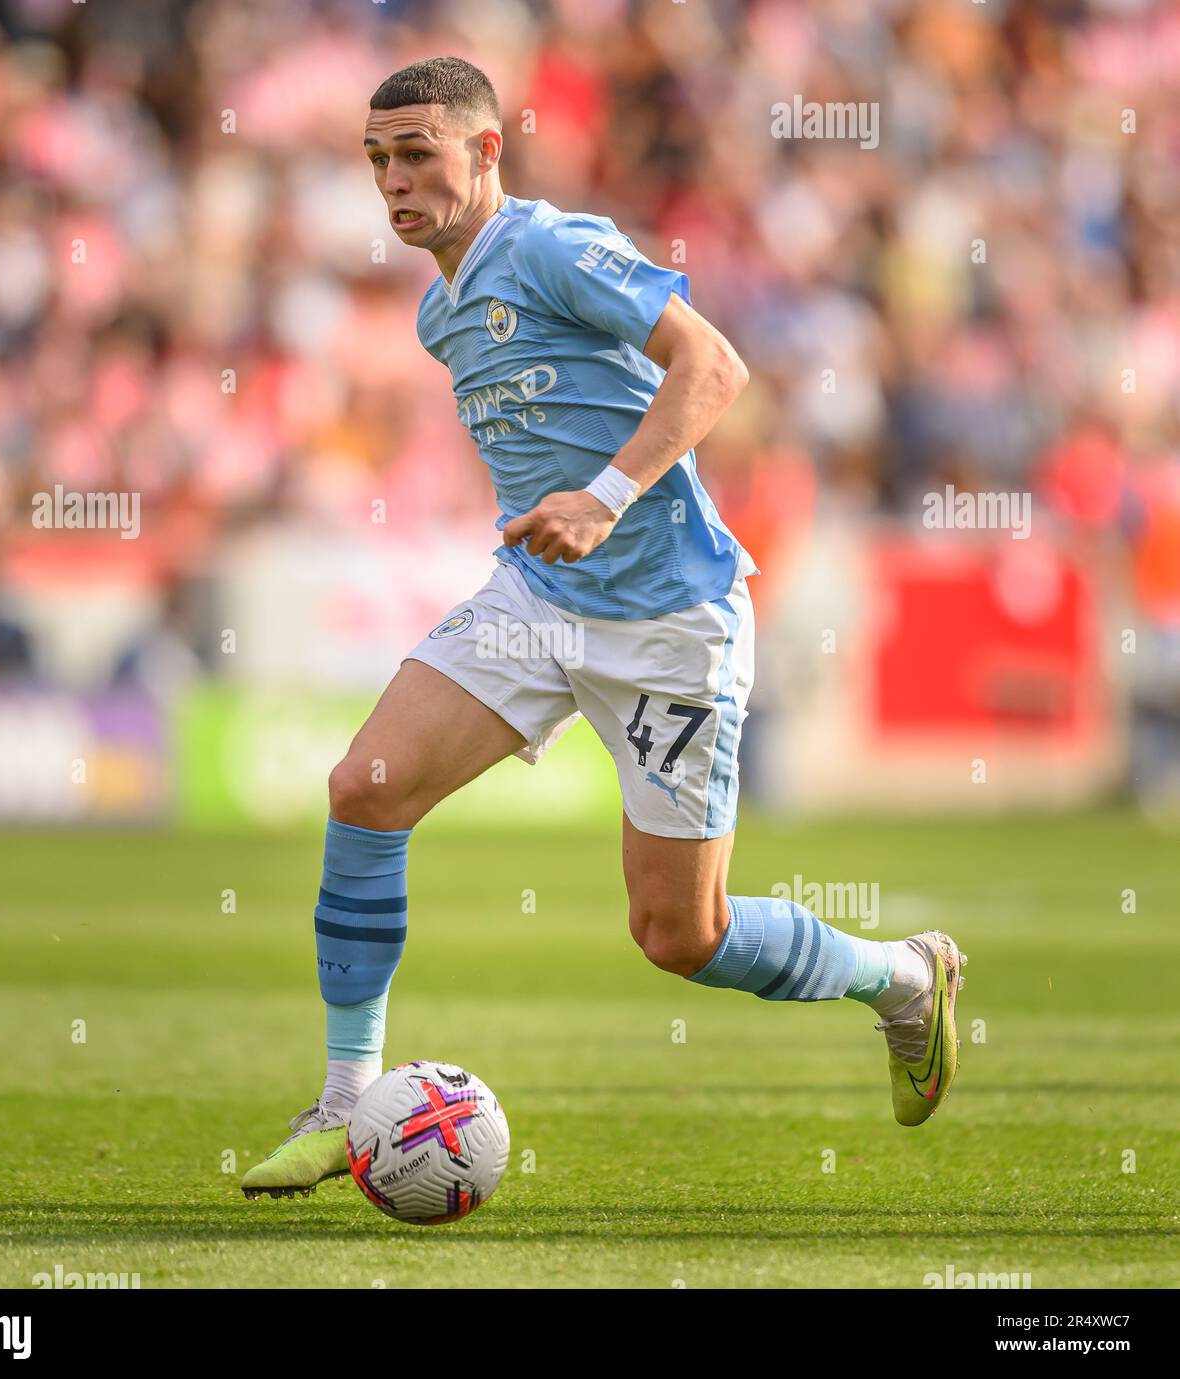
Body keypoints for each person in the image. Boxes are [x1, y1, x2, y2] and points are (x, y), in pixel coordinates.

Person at [241, 57, 965, 1200]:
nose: (392, 179)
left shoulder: (552, 246)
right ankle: (343, 1100)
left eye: (417, 152)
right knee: (365, 785)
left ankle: (903, 977)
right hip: (538, 600)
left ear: (486, 152)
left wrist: (606, 496)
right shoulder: (441, 309)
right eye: (376, 158)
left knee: (681, 936)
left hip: (668, 621)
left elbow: (713, 364)